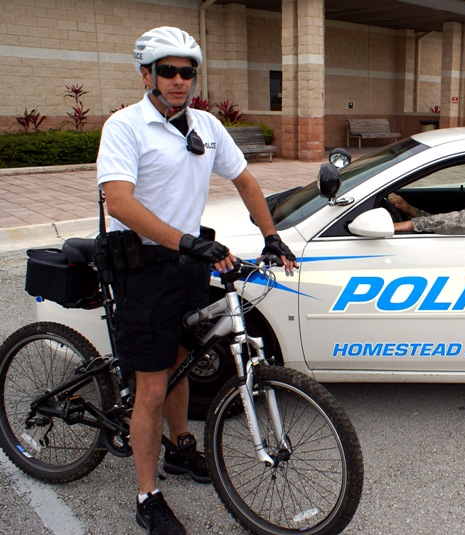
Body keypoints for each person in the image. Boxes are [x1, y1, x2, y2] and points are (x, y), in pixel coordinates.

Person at [96, 26, 298, 535]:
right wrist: (186, 242)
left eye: (188, 71)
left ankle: (180, 447)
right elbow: (118, 201)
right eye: (168, 70)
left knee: (182, 363)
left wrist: (270, 235)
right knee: (150, 387)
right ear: (147, 74)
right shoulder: (125, 126)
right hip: (142, 268)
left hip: (186, 265)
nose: (180, 79)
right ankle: (147, 496)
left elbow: (246, 180)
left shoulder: (206, 125)